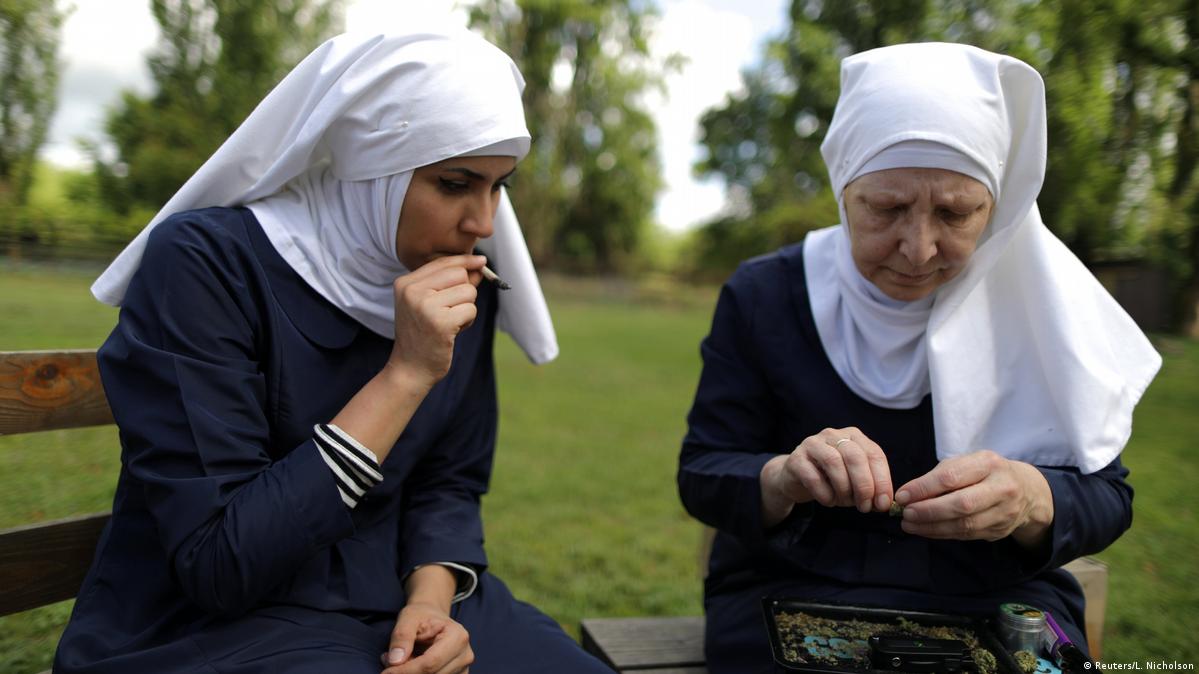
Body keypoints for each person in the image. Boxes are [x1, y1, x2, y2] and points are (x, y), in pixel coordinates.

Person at [54, 25, 610, 674]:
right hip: (210, 625)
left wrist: (432, 602)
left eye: (499, 186)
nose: (482, 223)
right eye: (456, 184)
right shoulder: (207, 265)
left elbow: (447, 481)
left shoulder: (462, 282)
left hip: (388, 596)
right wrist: (404, 375)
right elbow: (218, 562)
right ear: (373, 166)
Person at [677, 42, 1162, 673]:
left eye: (956, 213)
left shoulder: (1040, 305)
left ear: (996, 206)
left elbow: (1108, 498)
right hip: (792, 593)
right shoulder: (764, 295)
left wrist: (1030, 497)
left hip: (1000, 604)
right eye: (887, 208)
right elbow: (704, 471)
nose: (918, 248)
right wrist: (783, 477)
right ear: (842, 187)